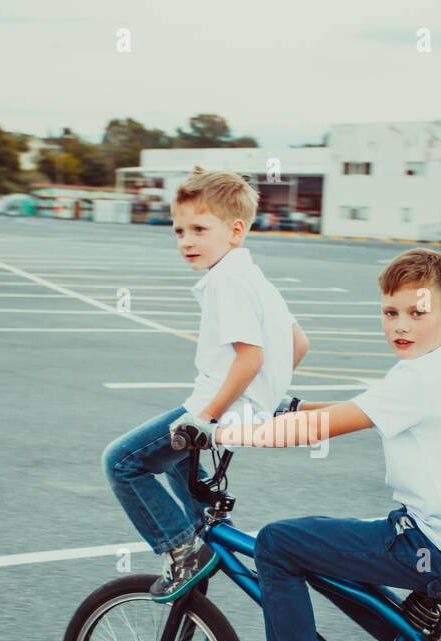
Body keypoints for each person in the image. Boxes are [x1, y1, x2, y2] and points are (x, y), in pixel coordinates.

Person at [197, 248, 441, 641]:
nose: (401, 326)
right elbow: (359, 408)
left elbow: (322, 427)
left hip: (436, 547)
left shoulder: (419, 379)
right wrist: (287, 406)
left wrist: (221, 431)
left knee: (279, 544)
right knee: (321, 549)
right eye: (390, 312)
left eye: (416, 313)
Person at [102, 166, 309, 602]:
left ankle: (182, 552)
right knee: (183, 477)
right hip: (241, 409)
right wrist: (267, 398)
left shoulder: (225, 281)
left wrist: (209, 416)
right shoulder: (253, 275)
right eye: (179, 231)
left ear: (235, 230)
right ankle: (206, 541)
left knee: (121, 463)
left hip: (219, 411)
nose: (186, 241)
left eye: (199, 228)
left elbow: (250, 357)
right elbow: (299, 344)